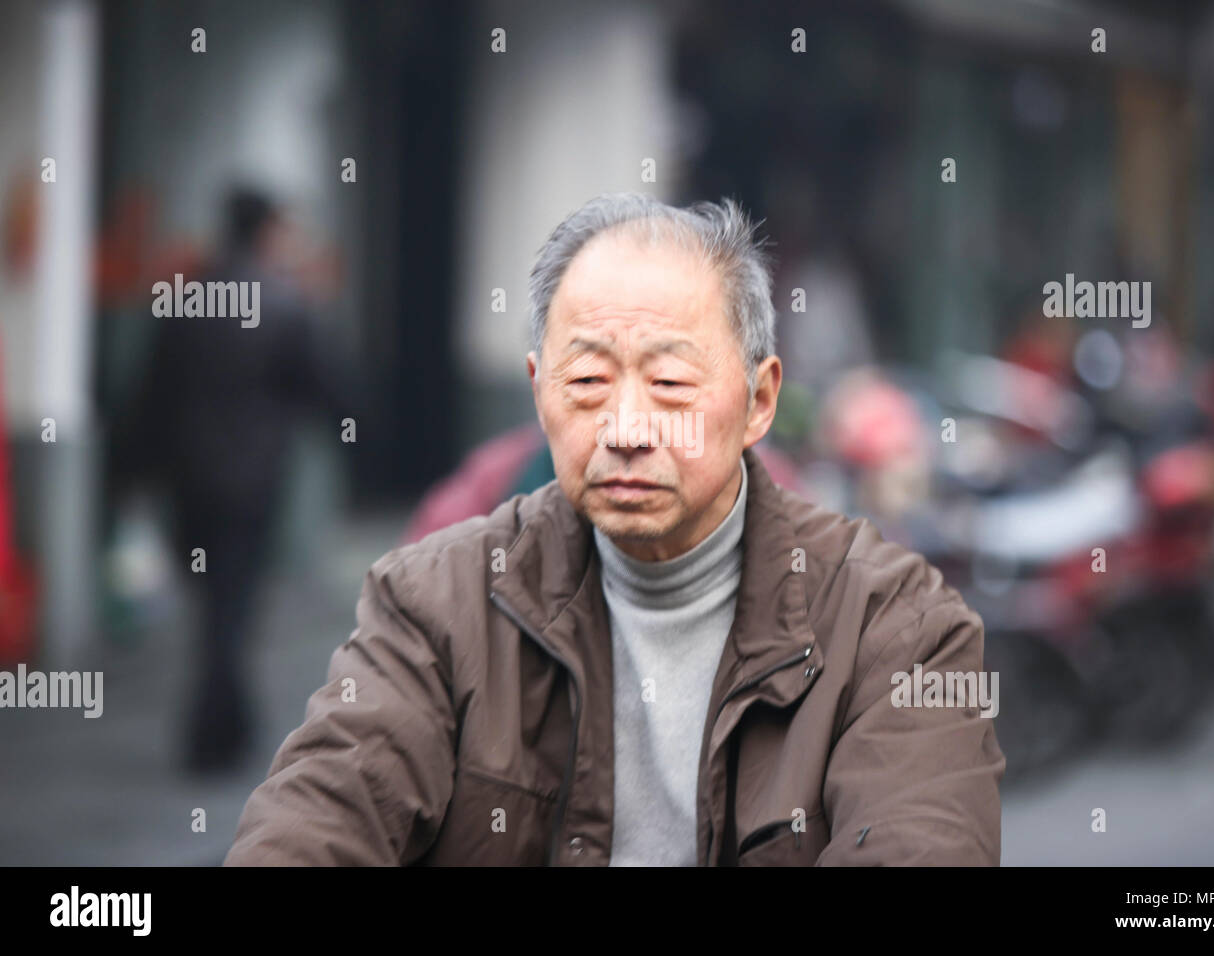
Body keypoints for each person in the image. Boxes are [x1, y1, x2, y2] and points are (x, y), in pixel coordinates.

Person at [225, 193, 1004, 865]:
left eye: (669, 384)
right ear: (539, 395)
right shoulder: (435, 604)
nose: (625, 428)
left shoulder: (894, 625)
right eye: (589, 382)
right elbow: (319, 817)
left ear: (759, 402)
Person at [112, 186, 353, 773]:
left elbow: (150, 393)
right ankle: (217, 730)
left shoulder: (186, 298)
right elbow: (324, 390)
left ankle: (225, 724)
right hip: (253, 481)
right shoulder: (286, 303)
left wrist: (127, 473)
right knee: (232, 604)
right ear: (267, 230)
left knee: (216, 604)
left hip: (189, 479)